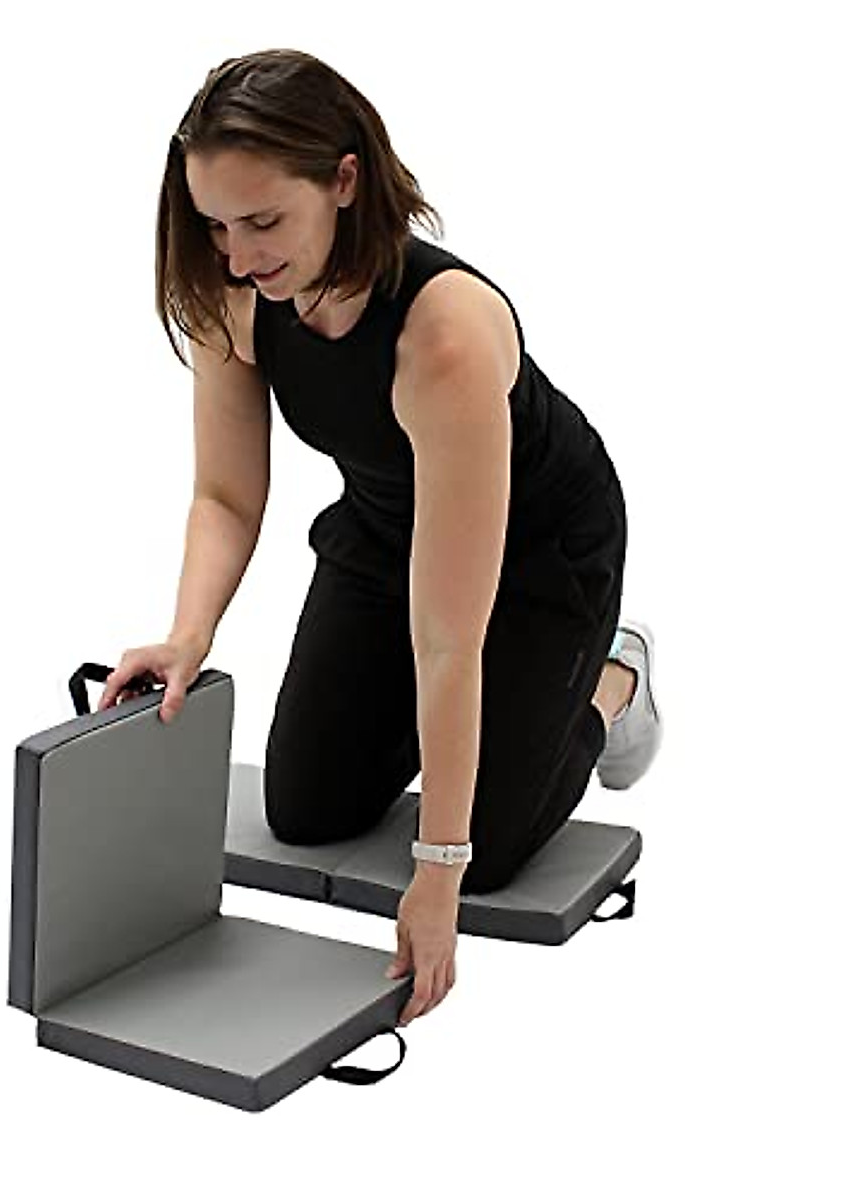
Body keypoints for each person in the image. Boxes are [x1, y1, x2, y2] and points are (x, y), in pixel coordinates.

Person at [97, 48, 663, 1027]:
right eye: (216, 224)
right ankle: (472, 723)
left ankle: (613, 679)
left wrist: (437, 874)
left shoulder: (444, 336)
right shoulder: (236, 291)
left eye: (264, 222)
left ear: (345, 182)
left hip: (542, 550)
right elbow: (225, 496)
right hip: (387, 521)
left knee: (487, 846)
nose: (237, 255)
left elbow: (448, 638)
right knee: (307, 810)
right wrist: (189, 636)